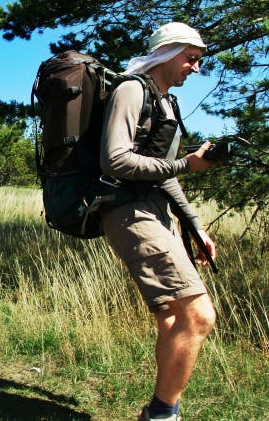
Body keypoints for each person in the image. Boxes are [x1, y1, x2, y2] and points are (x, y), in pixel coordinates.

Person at [99, 22, 218, 421]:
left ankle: (160, 410)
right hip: (129, 212)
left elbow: (164, 173)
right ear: (167, 52)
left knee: (171, 319)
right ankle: (164, 414)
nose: (195, 67)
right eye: (191, 57)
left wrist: (195, 226)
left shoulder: (167, 102)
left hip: (156, 212)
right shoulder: (132, 89)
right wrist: (188, 162)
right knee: (199, 315)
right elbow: (114, 159)